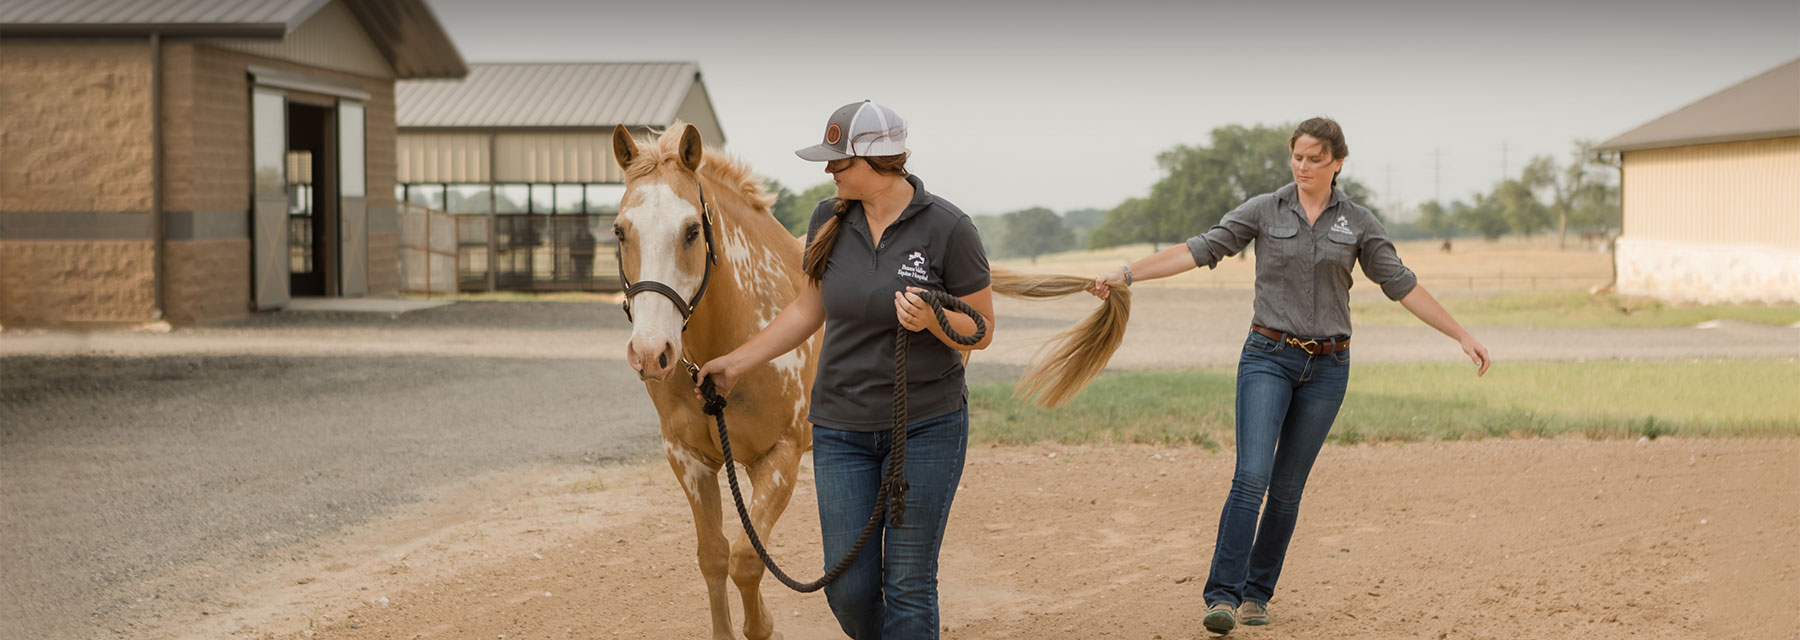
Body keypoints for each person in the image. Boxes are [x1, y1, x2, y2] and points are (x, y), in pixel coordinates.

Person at [1089, 117, 1490, 636]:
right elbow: (1199, 248)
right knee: (1252, 476)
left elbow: (1402, 285)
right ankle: (1223, 597)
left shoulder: (1359, 223)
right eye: (1297, 156)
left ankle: (1258, 595)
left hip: (1328, 367)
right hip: (1267, 356)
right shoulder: (1263, 209)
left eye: (1315, 158)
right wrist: (1126, 273)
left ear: (1338, 162)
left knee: (1286, 489)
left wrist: (1460, 334)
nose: (1304, 166)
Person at [695, 100, 994, 639]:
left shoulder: (949, 228)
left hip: (925, 426)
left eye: (839, 161)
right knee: (848, 590)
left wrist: (931, 319)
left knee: (907, 584)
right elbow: (807, 310)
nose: (828, 170)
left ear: (880, 161)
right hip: (840, 432)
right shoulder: (826, 219)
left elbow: (982, 328)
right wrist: (735, 363)